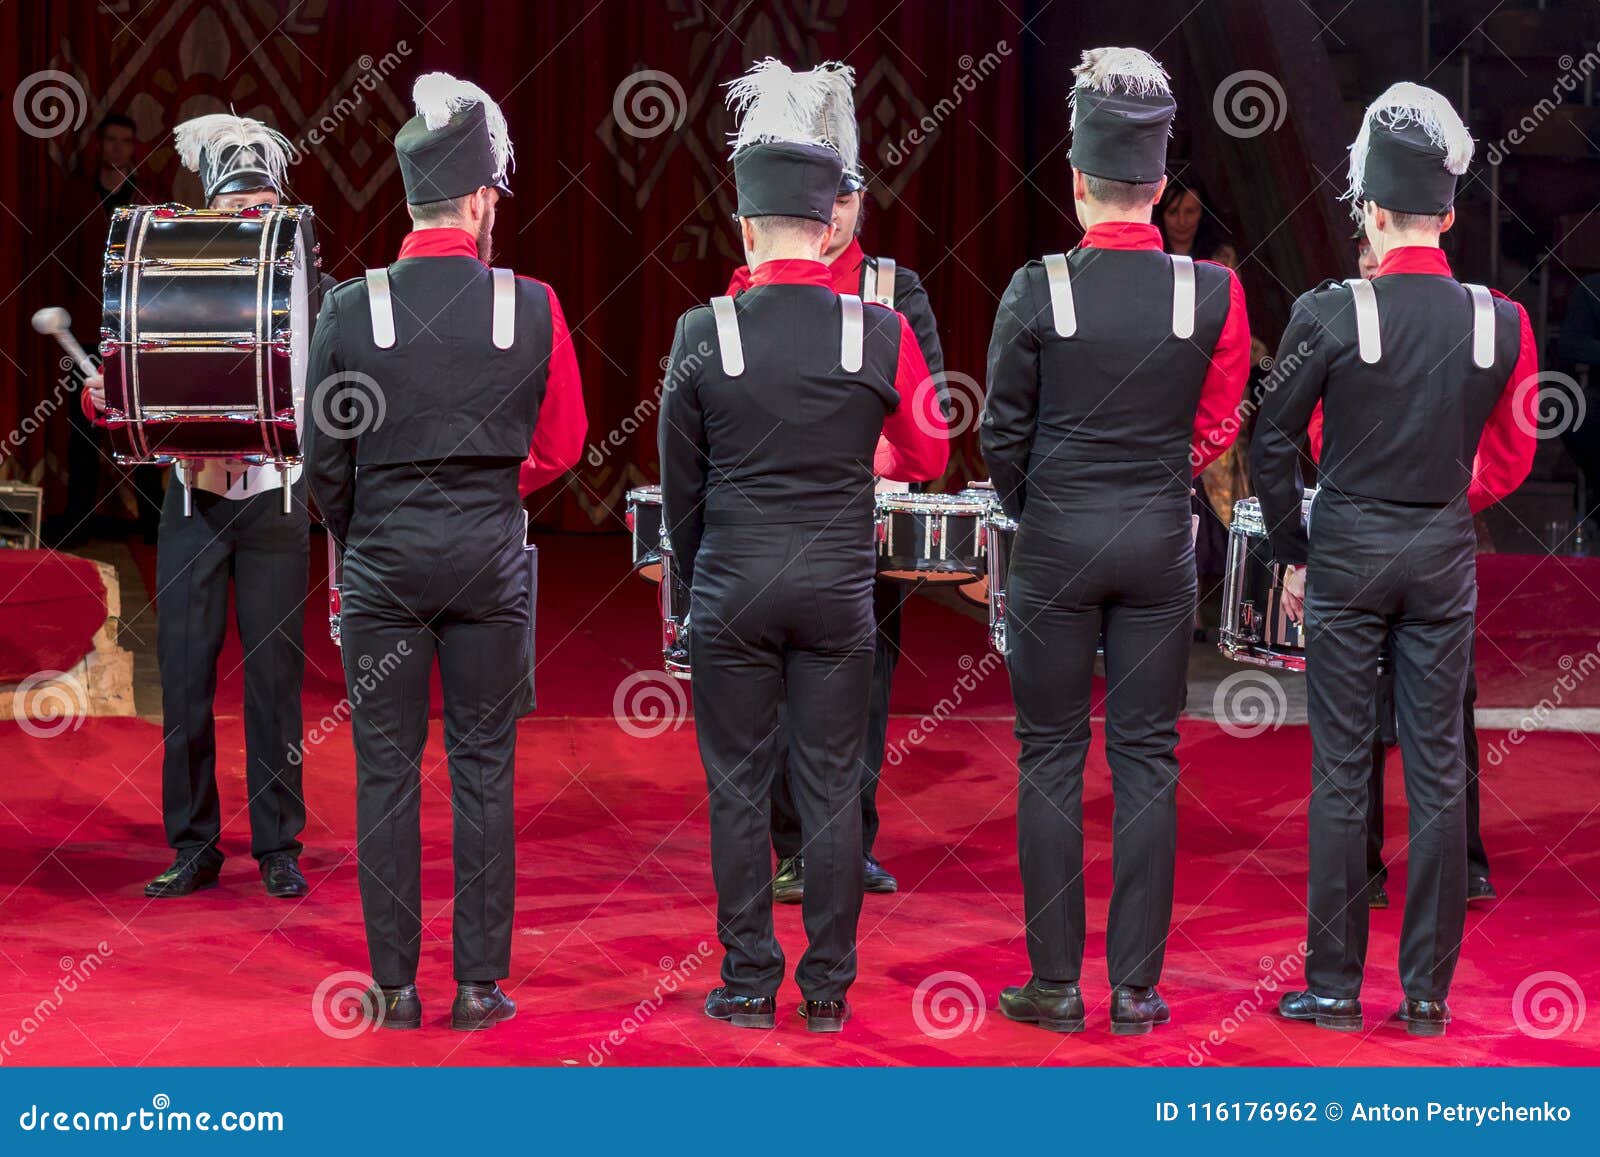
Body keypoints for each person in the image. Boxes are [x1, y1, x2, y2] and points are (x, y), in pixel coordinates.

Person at [659, 58, 947, 1034]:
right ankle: (826, 987)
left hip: (734, 580)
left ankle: (746, 980)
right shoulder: (876, 327)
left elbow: (682, 488)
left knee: (739, 787)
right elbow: (928, 446)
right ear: (827, 228)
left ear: (745, 230)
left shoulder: (704, 331)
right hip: (836, 585)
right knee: (832, 785)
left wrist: (695, 591)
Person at [303, 72, 587, 1032]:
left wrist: (368, 528)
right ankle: (478, 986)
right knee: (484, 765)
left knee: (385, 769)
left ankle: (391, 988)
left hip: (383, 560)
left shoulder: (347, 308)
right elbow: (563, 442)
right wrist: (487, 492)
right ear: (475, 201)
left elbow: (322, 463)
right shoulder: (534, 304)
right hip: (487, 561)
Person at [1254, 82, 1536, 1037]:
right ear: (1450, 212)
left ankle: (1333, 988)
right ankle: (1428, 997)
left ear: (1369, 210)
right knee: (1441, 768)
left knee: (1340, 771)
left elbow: (1270, 439)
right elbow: (1514, 451)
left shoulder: (1331, 310)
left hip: (1347, 550)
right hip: (1442, 552)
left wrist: (1296, 545)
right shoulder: (1501, 319)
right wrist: (1453, 497)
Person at [982, 47, 1251, 1036]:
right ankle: (1135, 989)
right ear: (1156, 184)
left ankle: (1053, 983)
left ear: (1076, 181)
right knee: (1147, 756)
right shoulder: (1209, 295)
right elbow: (1220, 425)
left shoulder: (1037, 285)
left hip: (1056, 537)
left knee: (1048, 756)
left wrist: (1038, 501)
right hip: (1155, 538)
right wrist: (1162, 478)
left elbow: (999, 432)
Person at [83, 113, 325, 902]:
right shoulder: (175, 267)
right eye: (241, 201)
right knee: (185, 680)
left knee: (274, 683)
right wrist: (107, 395)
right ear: (217, 202)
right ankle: (194, 843)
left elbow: (328, 382)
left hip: (275, 499)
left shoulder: (302, 271)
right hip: (192, 499)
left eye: (262, 200)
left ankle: (278, 843)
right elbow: (141, 376)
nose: (252, 214)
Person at [720, 61, 946, 906]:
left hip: (861, 533)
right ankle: (790, 844)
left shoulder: (895, 291)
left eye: (847, 196)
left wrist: (855, 461)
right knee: (776, 699)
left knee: (865, 694)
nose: (832, 213)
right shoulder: (746, 293)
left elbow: (927, 426)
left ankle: (848, 838)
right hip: (775, 526)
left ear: (856, 200)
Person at [1317, 228, 1495, 911]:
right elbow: (1320, 432)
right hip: (1381, 537)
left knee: (1451, 713)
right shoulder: (1346, 320)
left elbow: (1493, 446)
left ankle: (1467, 863)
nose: (1371, 260)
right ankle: (1364, 867)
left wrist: (1445, 498)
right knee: (1360, 715)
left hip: (1421, 536)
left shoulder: (1459, 318)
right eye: (1360, 251)